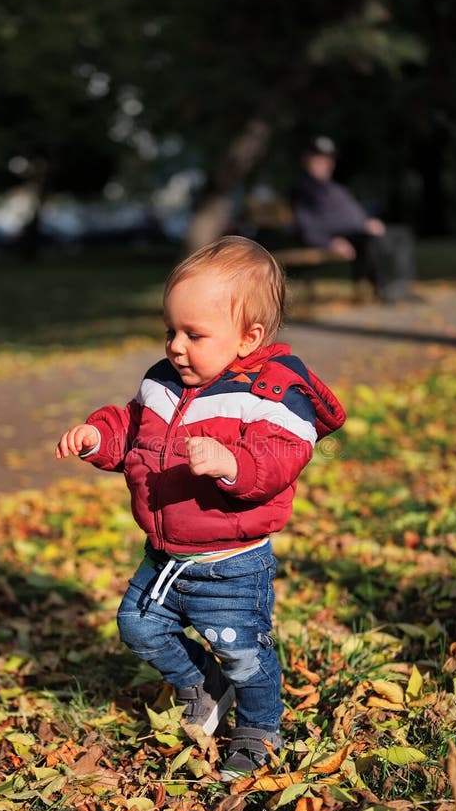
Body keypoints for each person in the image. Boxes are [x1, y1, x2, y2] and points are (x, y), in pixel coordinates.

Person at [55, 235, 346, 780]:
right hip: (165, 556)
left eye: (194, 334)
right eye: (170, 331)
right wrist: (98, 437)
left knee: (245, 654)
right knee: (137, 627)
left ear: (248, 337)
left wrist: (230, 463)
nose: (176, 347)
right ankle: (203, 686)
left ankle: (259, 728)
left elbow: (280, 459)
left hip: (230, 564)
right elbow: (131, 430)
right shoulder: (162, 384)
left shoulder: (270, 393)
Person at [290, 135, 417, 303]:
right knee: (375, 242)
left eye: (329, 159)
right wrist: (328, 242)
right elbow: (306, 224)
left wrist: (367, 222)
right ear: (307, 159)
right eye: (320, 158)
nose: (326, 163)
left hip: (359, 231)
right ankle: (387, 290)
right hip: (340, 237)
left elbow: (354, 213)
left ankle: (403, 287)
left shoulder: (335, 188)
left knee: (401, 234)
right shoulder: (302, 188)